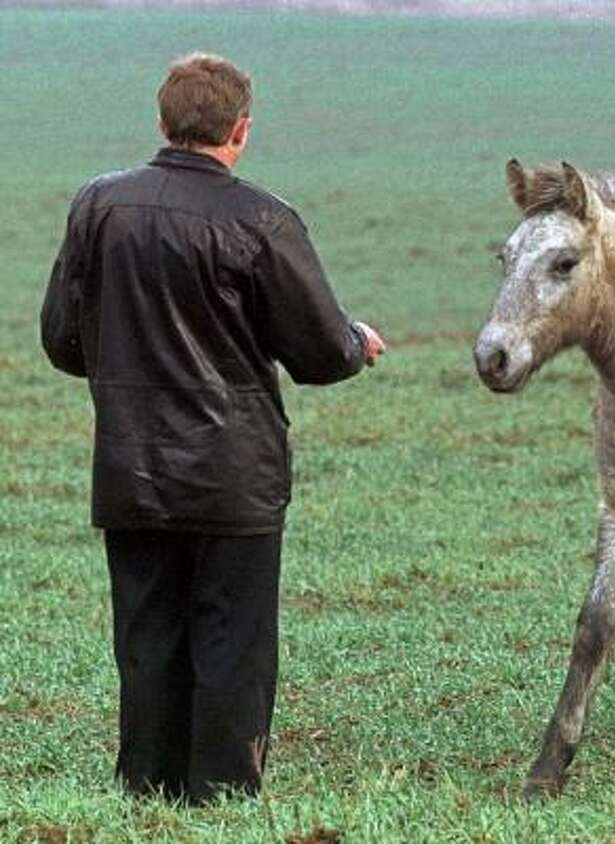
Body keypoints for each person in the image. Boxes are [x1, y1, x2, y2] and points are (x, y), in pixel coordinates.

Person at [40, 52, 386, 804]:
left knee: (147, 643)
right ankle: (221, 805)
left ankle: (147, 797)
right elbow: (322, 353)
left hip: (130, 471)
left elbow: (62, 340)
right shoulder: (262, 219)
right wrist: (357, 341)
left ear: (162, 122)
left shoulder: (98, 205)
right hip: (235, 478)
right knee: (233, 648)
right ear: (241, 130)